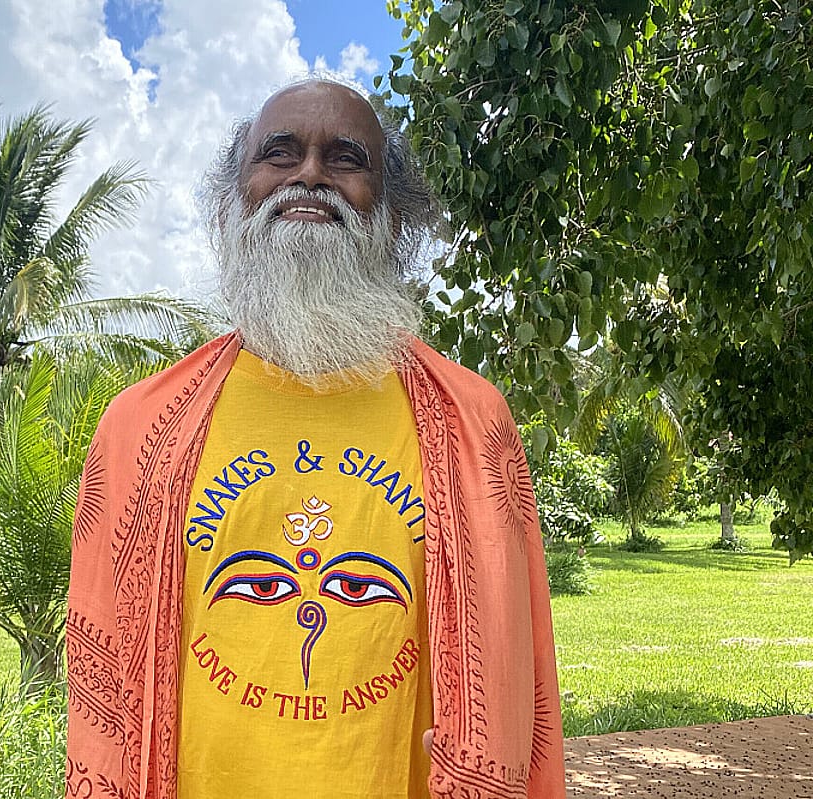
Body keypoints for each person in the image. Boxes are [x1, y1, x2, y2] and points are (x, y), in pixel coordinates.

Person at [65, 78, 565, 799]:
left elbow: (521, 674)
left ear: (394, 218)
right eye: (280, 153)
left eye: (345, 158)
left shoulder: (471, 421)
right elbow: (101, 686)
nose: (308, 175)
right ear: (229, 202)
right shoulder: (139, 428)